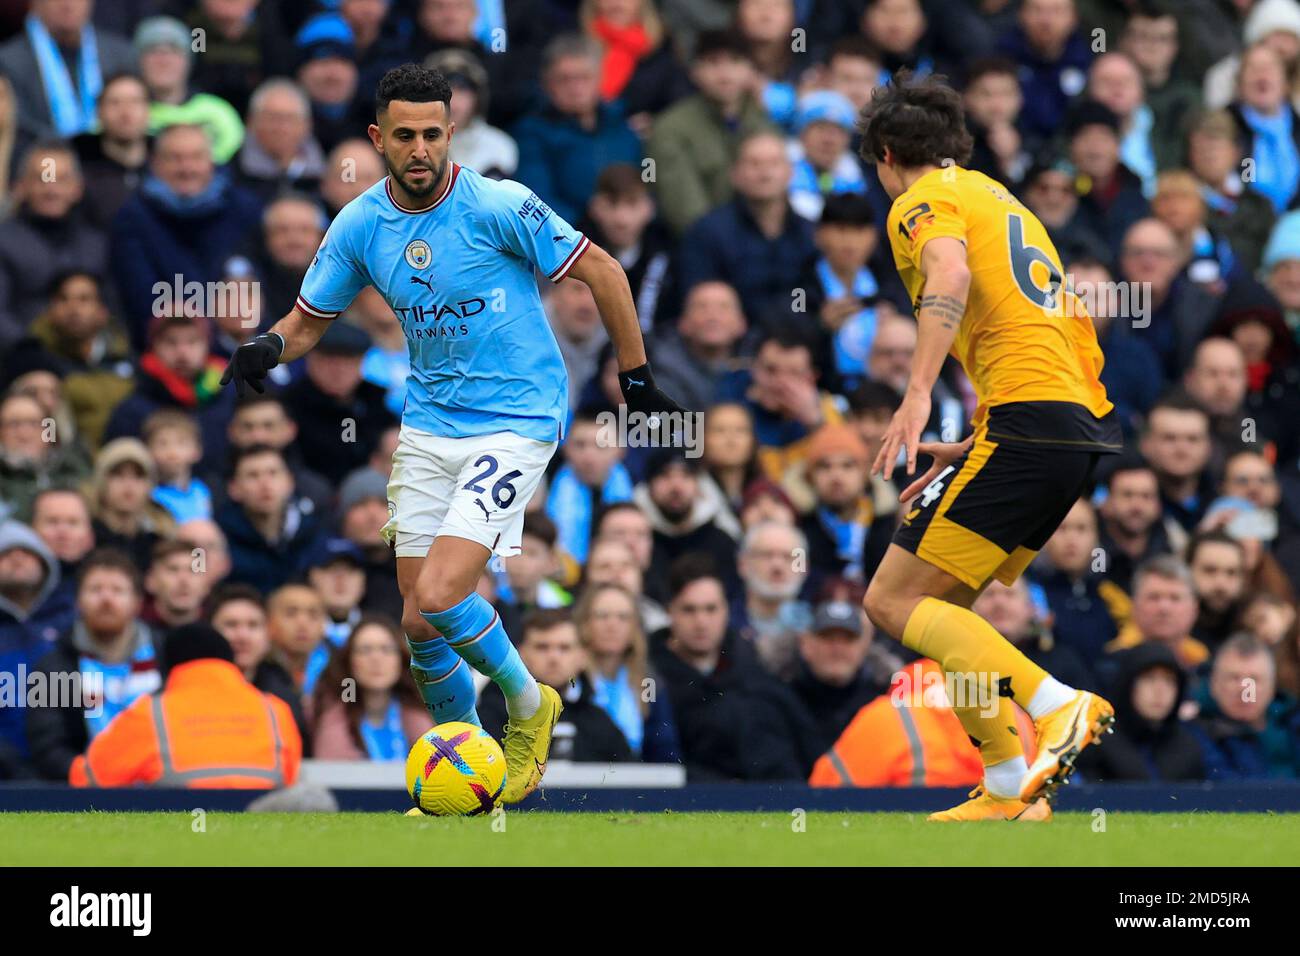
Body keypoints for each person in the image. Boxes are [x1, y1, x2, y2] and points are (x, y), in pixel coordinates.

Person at [220, 64, 684, 803]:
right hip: (431, 423)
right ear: (378, 138)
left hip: (519, 413)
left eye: (434, 134)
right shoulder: (361, 224)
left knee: (440, 593)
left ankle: (530, 702)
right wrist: (269, 347)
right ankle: (465, 784)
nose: (420, 149)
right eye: (404, 135)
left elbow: (603, 272)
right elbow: (310, 319)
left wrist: (633, 377)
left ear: (451, 134)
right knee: (418, 620)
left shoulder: (500, 203)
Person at [858, 72, 1121, 822]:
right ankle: (1008, 785)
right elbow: (1044, 328)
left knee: (889, 600)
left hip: (1032, 423)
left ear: (885, 154)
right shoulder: (1003, 201)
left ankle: (1059, 705)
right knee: (945, 610)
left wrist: (915, 396)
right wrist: (979, 439)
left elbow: (949, 271)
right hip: (1057, 424)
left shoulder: (921, 201)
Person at [68, 621, 302, 789]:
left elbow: (87, 777)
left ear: (168, 665)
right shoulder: (275, 710)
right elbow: (290, 776)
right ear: (229, 662)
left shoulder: (149, 713)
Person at [478, 608, 633, 763]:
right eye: (542, 647)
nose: (553, 657)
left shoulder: (599, 722)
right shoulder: (489, 715)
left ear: (582, 657)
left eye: (564, 648)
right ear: (521, 654)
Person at [310, 615, 429, 760]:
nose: (376, 659)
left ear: (400, 659)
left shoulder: (417, 711)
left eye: (386, 649)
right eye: (365, 650)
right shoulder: (334, 713)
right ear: (349, 661)